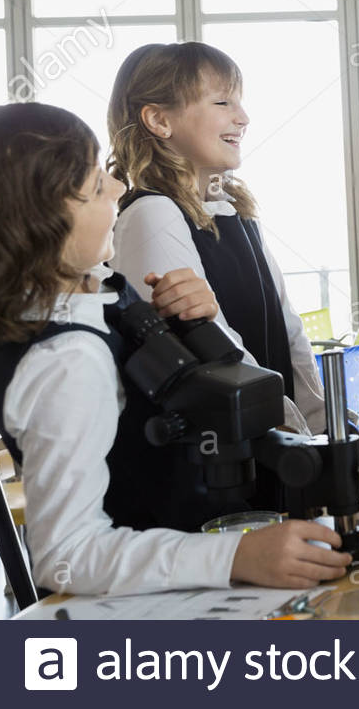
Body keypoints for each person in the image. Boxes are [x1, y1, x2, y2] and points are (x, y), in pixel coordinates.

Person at [0, 103, 351, 595]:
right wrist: (235, 556)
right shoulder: (66, 361)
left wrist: (190, 322)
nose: (116, 187)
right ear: (39, 228)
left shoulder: (97, 290)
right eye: (95, 186)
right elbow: (65, 555)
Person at [107, 42, 327, 433]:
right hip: (226, 454)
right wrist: (294, 432)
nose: (243, 118)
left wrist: (322, 426)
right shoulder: (152, 213)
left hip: (275, 444)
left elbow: (290, 333)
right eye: (222, 103)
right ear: (159, 120)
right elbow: (213, 353)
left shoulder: (235, 211)